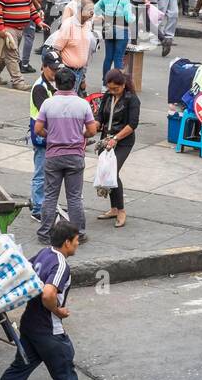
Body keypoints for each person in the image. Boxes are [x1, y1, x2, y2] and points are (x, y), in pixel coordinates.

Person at [0, 220, 95, 380]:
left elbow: (25, 273)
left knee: (19, 368)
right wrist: (58, 311)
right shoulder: (61, 265)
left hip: (29, 325)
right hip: (48, 330)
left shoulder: (44, 254)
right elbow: (48, 294)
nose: (78, 244)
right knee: (64, 370)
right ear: (67, 242)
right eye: (77, 240)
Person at [35, 67, 98, 245]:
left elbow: (38, 129)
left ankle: (45, 233)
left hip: (53, 155)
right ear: (74, 83)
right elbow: (92, 130)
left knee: (50, 196)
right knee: (74, 197)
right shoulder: (83, 104)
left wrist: (52, 136)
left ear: (56, 83)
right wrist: (80, 136)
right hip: (75, 155)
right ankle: (78, 234)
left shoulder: (48, 104)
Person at [95, 69, 140, 227]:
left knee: (113, 171)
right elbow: (100, 116)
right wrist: (95, 125)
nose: (113, 92)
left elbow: (132, 124)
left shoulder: (132, 99)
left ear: (123, 85)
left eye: (116, 89)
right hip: (106, 141)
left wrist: (116, 138)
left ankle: (121, 210)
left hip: (123, 141)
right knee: (107, 172)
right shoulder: (107, 96)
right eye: (110, 88)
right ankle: (113, 208)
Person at [28, 56, 57, 223]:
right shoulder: (40, 87)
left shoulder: (51, 84)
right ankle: (38, 208)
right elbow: (46, 111)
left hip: (48, 134)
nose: (55, 72)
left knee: (48, 173)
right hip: (41, 135)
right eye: (52, 69)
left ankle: (44, 204)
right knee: (40, 173)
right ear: (43, 67)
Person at [93, 0, 135, 84]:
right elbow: (128, 17)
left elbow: (95, 8)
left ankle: (105, 83)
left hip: (108, 27)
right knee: (118, 58)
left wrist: (103, 15)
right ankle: (118, 84)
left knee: (108, 58)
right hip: (122, 28)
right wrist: (135, 17)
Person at [49, 0, 93, 93]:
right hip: (67, 72)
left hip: (80, 71)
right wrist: (61, 72)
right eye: (89, 10)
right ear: (81, 11)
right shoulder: (68, 25)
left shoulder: (88, 25)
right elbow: (57, 50)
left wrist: (83, 78)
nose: (92, 13)